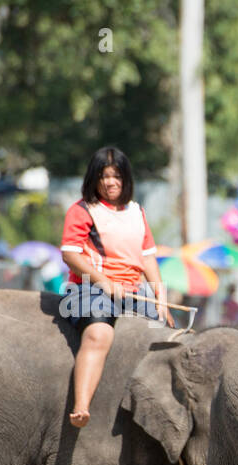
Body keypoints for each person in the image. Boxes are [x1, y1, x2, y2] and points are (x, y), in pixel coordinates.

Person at [59, 146, 172, 427]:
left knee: (169, 335)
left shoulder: (137, 212)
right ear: (93, 179)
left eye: (116, 176)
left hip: (133, 291)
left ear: (126, 179)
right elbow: (70, 255)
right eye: (104, 176)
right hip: (89, 288)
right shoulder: (82, 210)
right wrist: (105, 282)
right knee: (99, 334)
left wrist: (160, 296)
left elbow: (147, 257)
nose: (110, 182)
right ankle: (82, 406)